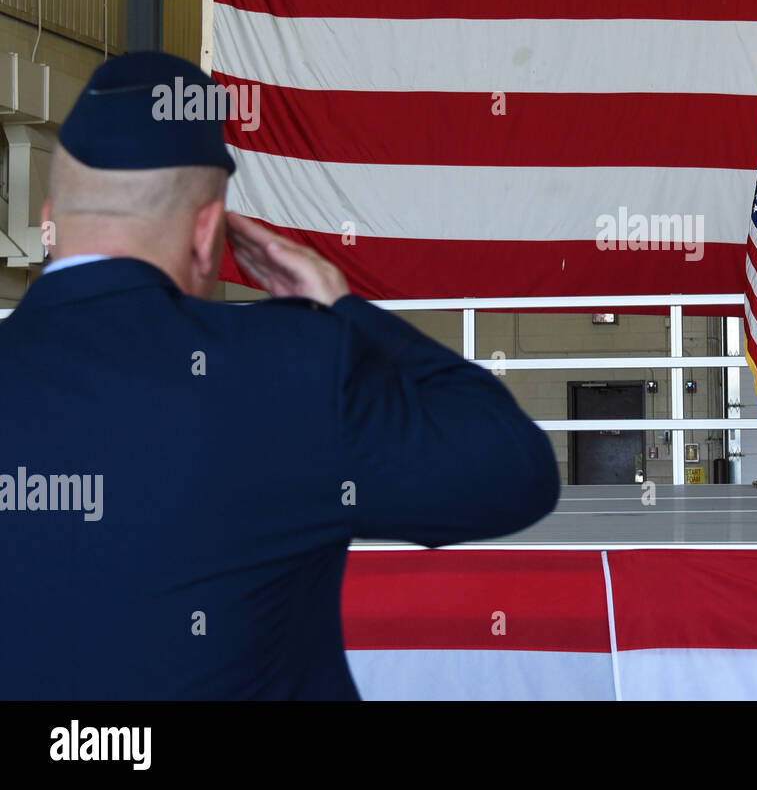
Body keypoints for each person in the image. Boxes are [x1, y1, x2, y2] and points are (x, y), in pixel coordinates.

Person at [0, 51, 559, 698]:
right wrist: (345, 312)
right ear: (207, 232)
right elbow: (512, 469)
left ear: (50, 216)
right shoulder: (288, 368)